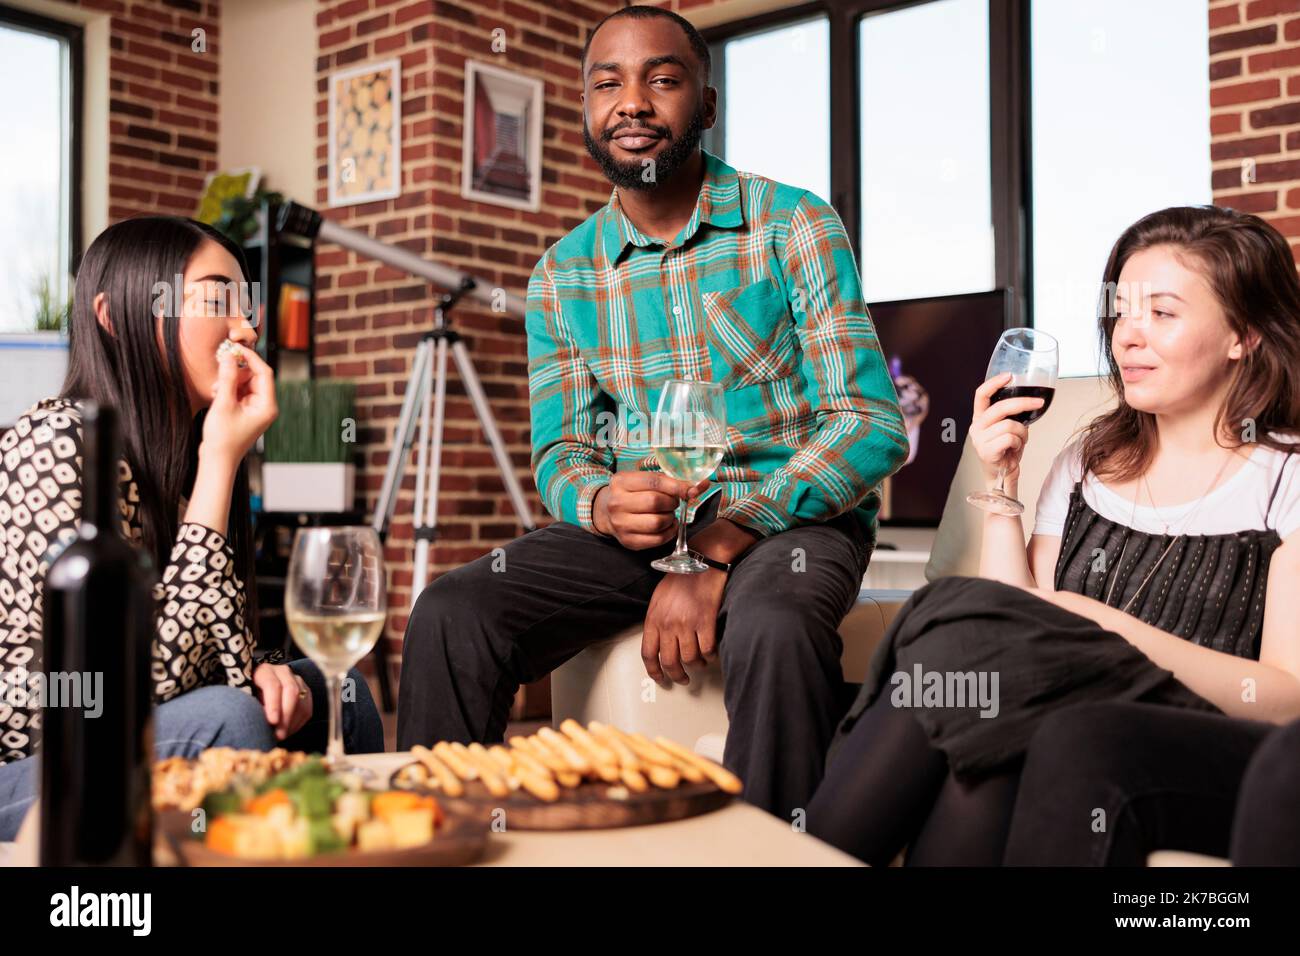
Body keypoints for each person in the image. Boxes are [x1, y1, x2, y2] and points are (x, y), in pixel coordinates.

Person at [396, 5, 907, 819]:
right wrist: (599, 501)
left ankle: (771, 852)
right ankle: (433, 838)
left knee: (773, 625)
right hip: (642, 531)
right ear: (588, 112)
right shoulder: (562, 275)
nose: (632, 102)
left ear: (705, 105)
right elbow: (564, 450)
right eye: (608, 83)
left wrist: (714, 550)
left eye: (661, 79)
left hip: (789, 523)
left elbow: (870, 422)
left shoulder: (793, 224)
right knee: (452, 612)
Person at [806, 205, 1300, 865]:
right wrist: (1002, 480)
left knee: (961, 656)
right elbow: (1006, 629)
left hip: (1178, 734)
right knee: (978, 744)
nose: (1128, 336)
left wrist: (1093, 625)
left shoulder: (1286, 478)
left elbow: (1285, 695)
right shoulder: (1089, 459)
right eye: (1121, 311)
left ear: (1245, 335)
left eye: (1162, 313)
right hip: (1047, 712)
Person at [0, 216, 383, 840]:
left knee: (338, 693)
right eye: (217, 300)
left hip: (133, 725)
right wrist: (220, 462)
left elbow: (201, 639)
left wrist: (261, 667)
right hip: (35, 762)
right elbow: (109, 697)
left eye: (247, 305)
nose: (246, 328)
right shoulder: (58, 446)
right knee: (227, 720)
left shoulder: (180, 453)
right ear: (115, 316)